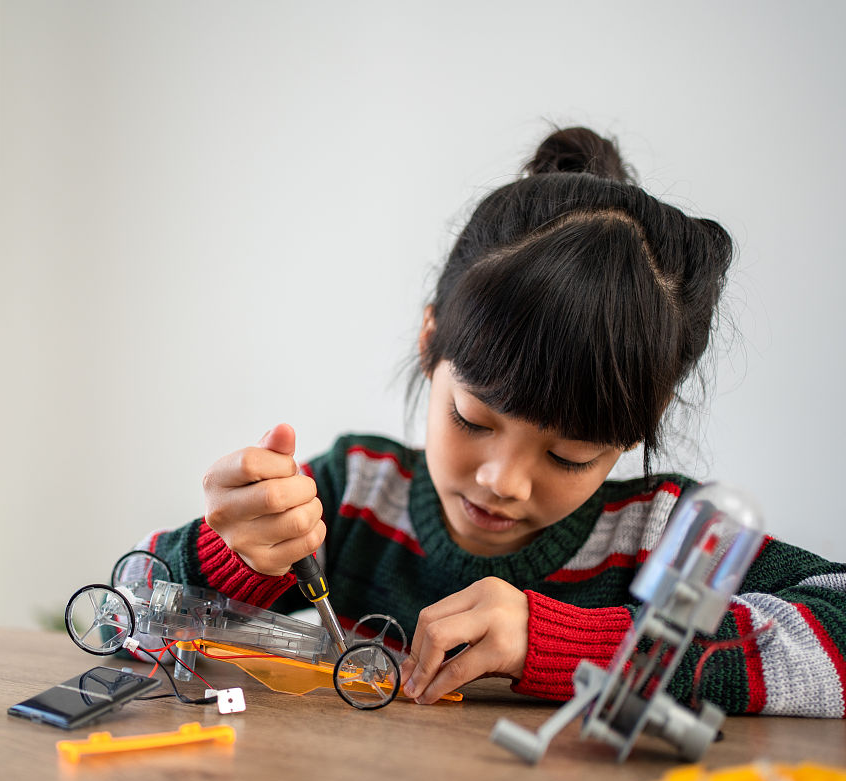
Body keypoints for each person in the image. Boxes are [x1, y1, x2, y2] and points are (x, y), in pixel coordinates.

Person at [131, 127, 846, 717]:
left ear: (638, 428)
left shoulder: (666, 537)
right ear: (429, 341)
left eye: (569, 455)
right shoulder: (351, 494)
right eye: (473, 418)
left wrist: (564, 643)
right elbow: (123, 611)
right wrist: (239, 557)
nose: (503, 480)